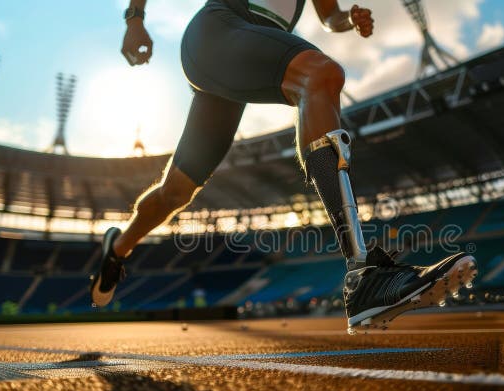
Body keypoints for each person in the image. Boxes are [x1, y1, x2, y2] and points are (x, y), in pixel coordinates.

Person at [90, 0, 478, 332]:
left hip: (247, 53)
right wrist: (135, 19)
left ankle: (117, 249)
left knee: (176, 191)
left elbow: (329, 15)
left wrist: (348, 19)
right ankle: (363, 273)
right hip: (218, 30)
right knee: (320, 74)